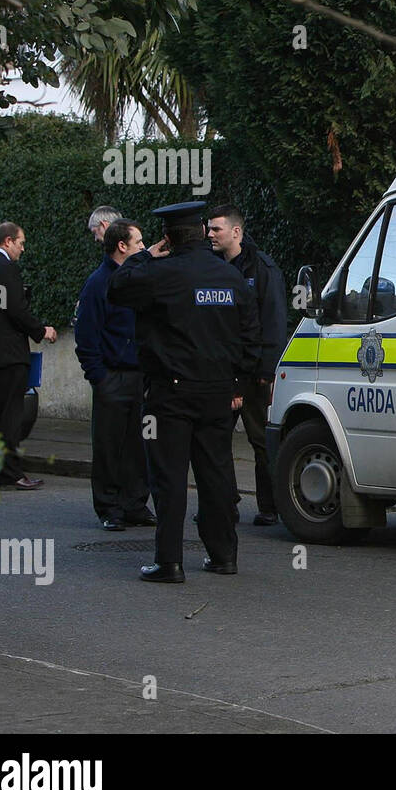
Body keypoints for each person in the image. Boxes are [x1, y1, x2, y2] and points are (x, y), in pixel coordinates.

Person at [109, 202, 261, 583]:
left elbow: (118, 288)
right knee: (217, 475)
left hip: (169, 394)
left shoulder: (161, 274)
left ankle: (169, 561)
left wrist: (143, 256)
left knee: (169, 476)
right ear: (202, 235)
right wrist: (238, 383)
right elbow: (251, 338)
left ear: (169, 238)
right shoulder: (230, 278)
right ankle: (223, 555)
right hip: (218, 393)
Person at [74, 219, 157, 532]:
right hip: (112, 376)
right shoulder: (98, 283)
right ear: (122, 246)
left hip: (138, 376)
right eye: (138, 243)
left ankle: (135, 503)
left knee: (139, 444)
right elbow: (86, 333)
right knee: (109, 445)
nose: (142, 247)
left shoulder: (134, 281)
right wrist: (99, 376)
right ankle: (109, 507)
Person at [207, 205, 288, 526]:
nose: (210, 234)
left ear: (236, 232)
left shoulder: (262, 269)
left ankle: (270, 506)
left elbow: (274, 321)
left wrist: (267, 373)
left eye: (216, 229)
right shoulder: (208, 267)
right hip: (218, 373)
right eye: (208, 229)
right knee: (214, 441)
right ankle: (223, 501)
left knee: (261, 442)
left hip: (254, 373)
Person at [0, 222, 57, 490]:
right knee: (9, 417)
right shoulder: (5, 268)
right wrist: (42, 330)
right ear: (8, 241)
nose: (22, 249)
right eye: (20, 243)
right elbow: (15, 309)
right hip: (7, 356)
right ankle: (10, 473)